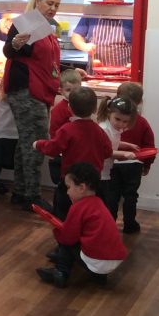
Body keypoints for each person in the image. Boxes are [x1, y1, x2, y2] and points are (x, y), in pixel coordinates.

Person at [2, 0, 63, 212]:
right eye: (49, 3)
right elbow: (9, 51)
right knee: (36, 143)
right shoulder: (25, 23)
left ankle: (20, 192)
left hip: (39, 89)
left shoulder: (46, 27)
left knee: (26, 143)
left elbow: (48, 61)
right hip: (27, 90)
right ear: (38, 1)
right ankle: (33, 196)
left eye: (56, 5)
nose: (53, 8)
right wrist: (15, 44)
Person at [35, 162, 128, 289]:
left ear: (81, 188)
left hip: (98, 260)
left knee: (67, 244)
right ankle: (99, 276)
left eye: (68, 187)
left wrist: (56, 230)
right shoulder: (99, 203)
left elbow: (68, 237)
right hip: (115, 258)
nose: (67, 192)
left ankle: (61, 272)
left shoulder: (78, 207)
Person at [33, 87, 119, 220]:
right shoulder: (99, 131)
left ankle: (67, 238)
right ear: (94, 109)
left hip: (70, 182)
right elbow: (108, 151)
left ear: (70, 109)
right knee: (92, 214)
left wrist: (38, 144)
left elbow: (53, 148)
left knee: (64, 214)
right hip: (93, 183)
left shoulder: (67, 130)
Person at [104, 86, 154, 234]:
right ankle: (130, 224)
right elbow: (149, 146)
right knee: (130, 195)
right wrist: (147, 165)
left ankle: (109, 224)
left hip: (114, 164)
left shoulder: (109, 121)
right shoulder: (142, 122)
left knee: (112, 195)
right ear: (140, 102)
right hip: (133, 165)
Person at [70, 0, 133, 68]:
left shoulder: (130, 15)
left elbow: (142, 46)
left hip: (124, 74)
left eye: (116, 4)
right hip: (95, 75)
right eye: (107, 4)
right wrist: (84, 46)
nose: (111, 8)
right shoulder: (93, 13)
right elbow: (76, 36)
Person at [48, 68, 84, 185]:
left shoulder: (81, 106)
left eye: (76, 89)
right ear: (61, 91)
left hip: (78, 150)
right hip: (63, 152)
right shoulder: (59, 110)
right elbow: (54, 132)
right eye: (68, 90)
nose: (73, 93)